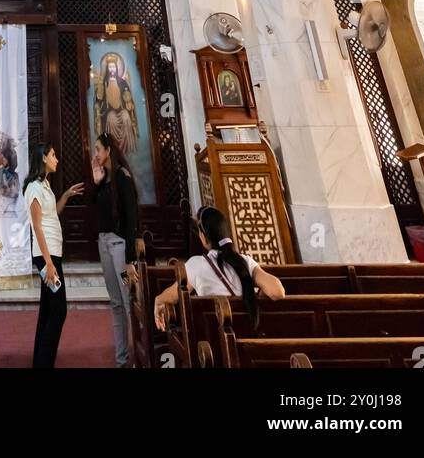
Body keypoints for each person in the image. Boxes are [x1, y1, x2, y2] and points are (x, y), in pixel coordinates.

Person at [153, 205, 285, 332]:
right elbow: (278, 291)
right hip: (248, 335)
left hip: (212, 342)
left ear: (204, 237)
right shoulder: (245, 261)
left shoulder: (195, 265)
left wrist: (158, 301)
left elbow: (171, 297)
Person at [22, 143, 83, 368]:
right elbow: (37, 226)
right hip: (45, 255)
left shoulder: (45, 184)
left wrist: (66, 195)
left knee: (48, 309)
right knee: (59, 310)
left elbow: (52, 213)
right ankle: (44, 362)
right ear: (44, 158)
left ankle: (40, 360)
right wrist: (48, 262)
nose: (56, 159)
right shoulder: (33, 188)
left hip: (52, 253)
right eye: (53, 155)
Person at [92, 133, 140, 367]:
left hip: (121, 249)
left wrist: (130, 260)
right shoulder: (106, 178)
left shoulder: (122, 177)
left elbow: (132, 220)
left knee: (129, 302)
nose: (96, 154)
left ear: (109, 150)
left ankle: (141, 352)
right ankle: (122, 360)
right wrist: (97, 182)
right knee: (116, 304)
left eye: (99, 149)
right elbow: (99, 212)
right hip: (104, 245)